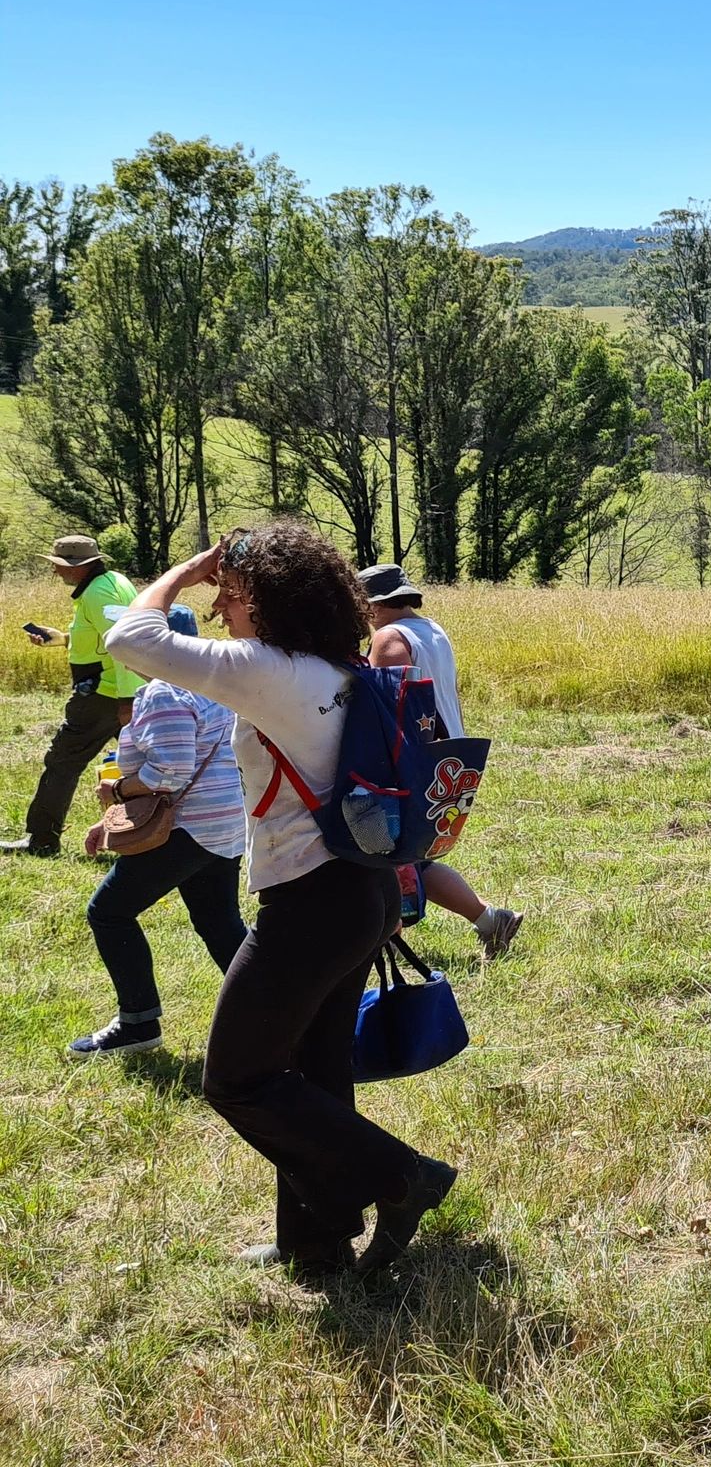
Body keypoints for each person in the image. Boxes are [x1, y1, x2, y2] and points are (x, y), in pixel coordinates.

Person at [105, 523, 457, 1282]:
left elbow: (131, 639)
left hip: (310, 905)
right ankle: (315, 1244)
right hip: (363, 893)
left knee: (236, 1077)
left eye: (232, 597)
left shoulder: (267, 668)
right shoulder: (335, 666)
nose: (223, 609)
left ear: (268, 603)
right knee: (312, 1066)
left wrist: (181, 571)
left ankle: (402, 1177)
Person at [69, 605, 250, 1057]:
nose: (120, 642)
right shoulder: (219, 688)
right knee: (219, 922)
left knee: (108, 912)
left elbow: (169, 771)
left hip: (187, 828)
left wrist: (117, 788)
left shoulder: (163, 693)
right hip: (224, 822)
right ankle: (282, 1013)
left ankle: (138, 1025)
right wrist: (115, 812)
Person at [355, 562, 520, 960]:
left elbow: (385, 708)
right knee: (414, 857)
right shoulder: (432, 629)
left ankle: (383, 941)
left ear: (373, 606)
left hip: (411, 759)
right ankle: (490, 920)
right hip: (446, 755)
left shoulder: (389, 639)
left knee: (387, 855)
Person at [4, 534, 142, 857]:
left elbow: (125, 645)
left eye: (59, 565)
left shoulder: (97, 594)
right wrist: (61, 639)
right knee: (149, 764)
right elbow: (102, 641)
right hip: (120, 693)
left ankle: (41, 841)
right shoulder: (113, 582)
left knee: (61, 762)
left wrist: (126, 702)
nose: (55, 572)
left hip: (103, 698)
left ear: (78, 566)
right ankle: (162, 839)